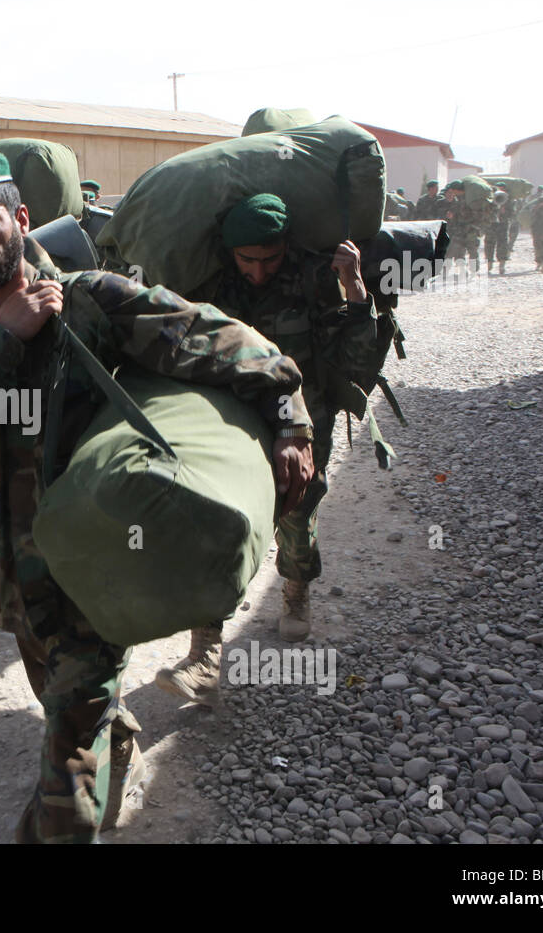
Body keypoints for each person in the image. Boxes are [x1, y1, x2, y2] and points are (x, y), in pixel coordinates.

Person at [0, 152, 315, 842]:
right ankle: (113, 736)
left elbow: (224, 342)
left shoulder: (93, 299)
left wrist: (290, 422)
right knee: (67, 706)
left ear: (20, 220)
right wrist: (5, 338)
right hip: (9, 581)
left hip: (93, 573)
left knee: (62, 776)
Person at [156, 193, 378, 704]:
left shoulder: (316, 280)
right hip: (233, 416)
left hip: (302, 417)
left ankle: (296, 588)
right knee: (217, 518)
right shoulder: (210, 285)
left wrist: (355, 291)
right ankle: (207, 652)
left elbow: (355, 360)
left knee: (296, 514)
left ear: (286, 249)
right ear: (229, 252)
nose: (257, 273)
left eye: (270, 260)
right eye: (246, 260)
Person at [483, 190, 511, 274]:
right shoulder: (488, 203)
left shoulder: (508, 204)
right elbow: (484, 214)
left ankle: (502, 265)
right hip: (491, 226)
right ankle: (489, 264)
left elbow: (512, 215)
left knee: (503, 245)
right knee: (489, 244)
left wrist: (505, 213)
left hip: (503, 226)